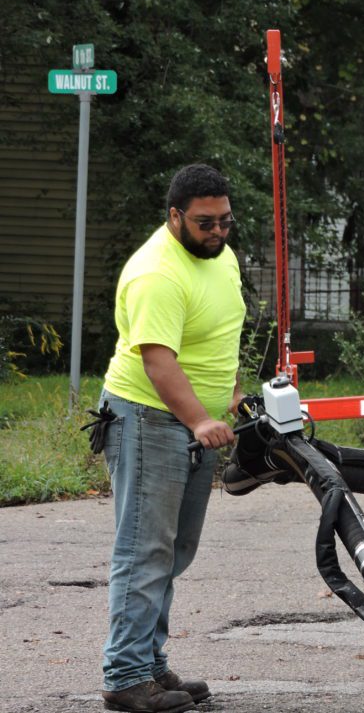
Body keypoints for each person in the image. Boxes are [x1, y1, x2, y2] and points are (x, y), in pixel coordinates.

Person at [97, 164, 245, 713]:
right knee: (146, 549)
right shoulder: (156, 272)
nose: (218, 232)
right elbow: (158, 362)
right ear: (175, 216)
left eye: (225, 221)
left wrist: (231, 393)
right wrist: (200, 420)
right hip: (148, 418)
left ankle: (150, 664)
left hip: (191, 423)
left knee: (176, 548)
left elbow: (220, 333)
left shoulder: (220, 257)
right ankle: (125, 675)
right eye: (206, 223)